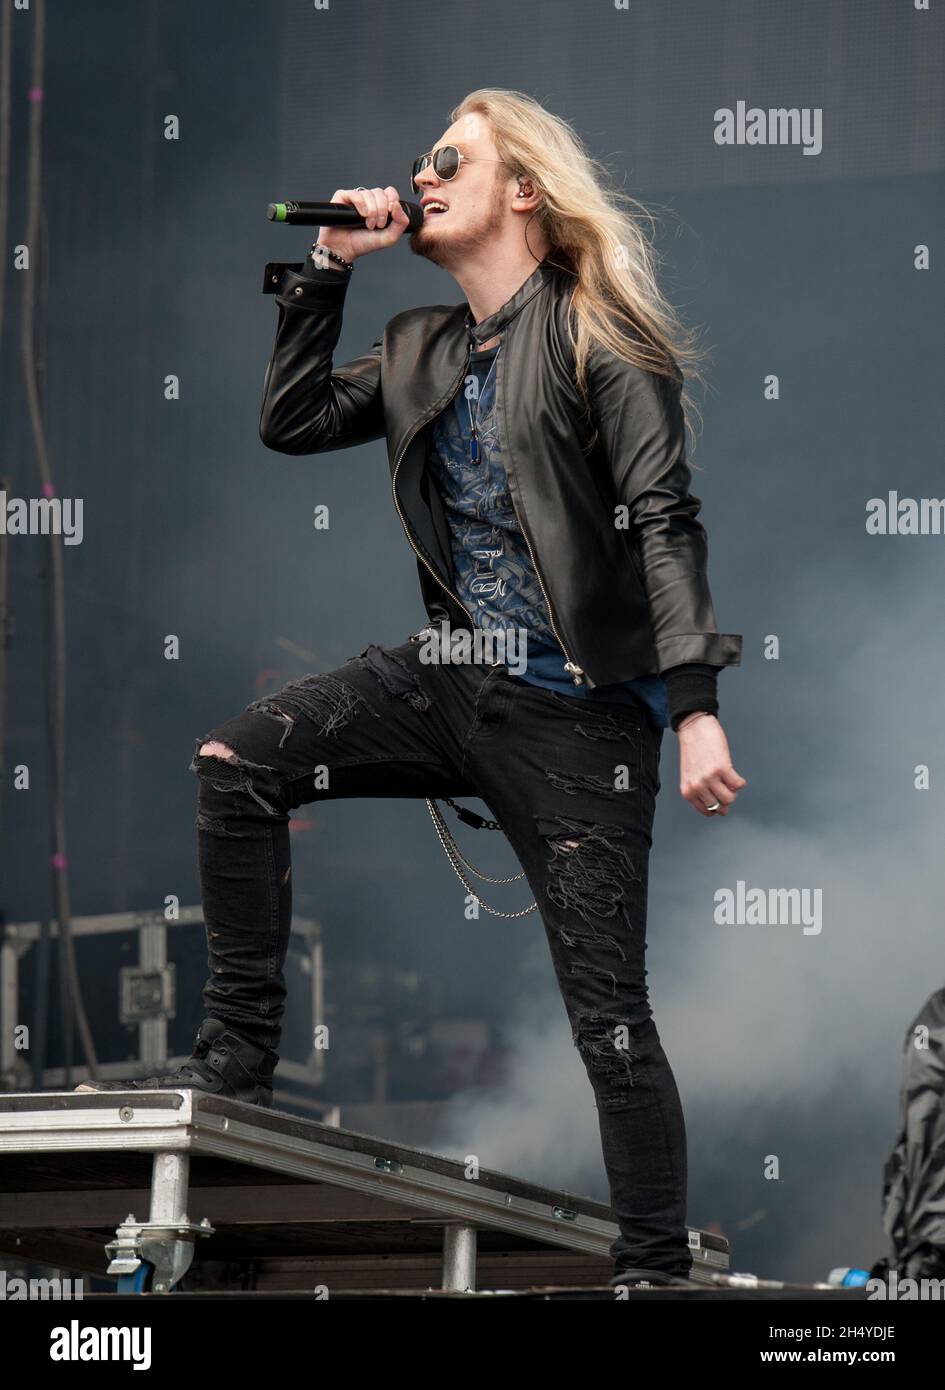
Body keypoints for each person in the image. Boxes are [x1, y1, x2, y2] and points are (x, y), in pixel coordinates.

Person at [79, 88, 746, 1286]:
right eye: (422, 161)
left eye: (452, 160)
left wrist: (693, 703)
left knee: (608, 1016)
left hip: (580, 714)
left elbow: (664, 522)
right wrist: (329, 266)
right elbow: (287, 422)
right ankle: (237, 1057)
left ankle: (652, 1269)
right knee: (239, 758)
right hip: (450, 678)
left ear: (524, 190)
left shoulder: (605, 335)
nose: (422, 176)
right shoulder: (422, 347)